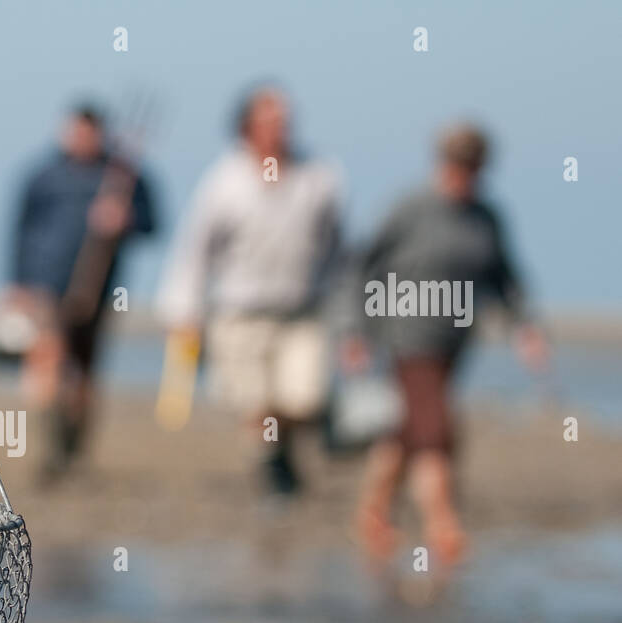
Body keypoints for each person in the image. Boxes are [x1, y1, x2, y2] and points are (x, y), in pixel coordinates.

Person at [344, 123, 548, 567]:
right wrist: (356, 330)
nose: (464, 178)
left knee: (408, 429)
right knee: (435, 430)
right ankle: (443, 525)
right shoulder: (411, 209)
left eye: (472, 169)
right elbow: (363, 265)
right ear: (442, 164)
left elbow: (504, 278)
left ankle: (373, 511)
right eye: (457, 167)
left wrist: (526, 327)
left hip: (453, 340)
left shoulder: (485, 218)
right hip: (404, 333)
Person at [155, 84, 343, 496]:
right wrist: (183, 312)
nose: (281, 129)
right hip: (239, 313)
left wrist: (345, 309)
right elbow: (194, 251)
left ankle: (287, 449)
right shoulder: (223, 182)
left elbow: (336, 247)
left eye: (285, 120)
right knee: (254, 401)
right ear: (246, 128)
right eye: (271, 121)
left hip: (301, 310)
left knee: (303, 397)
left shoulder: (320, 177)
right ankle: (275, 471)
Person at [6, 103, 156, 479]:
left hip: (98, 290)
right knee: (48, 361)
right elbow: (20, 230)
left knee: (86, 373)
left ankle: (76, 446)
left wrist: (125, 219)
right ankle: (50, 448)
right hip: (47, 286)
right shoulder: (43, 175)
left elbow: (153, 224)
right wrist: (16, 284)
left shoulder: (124, 175)